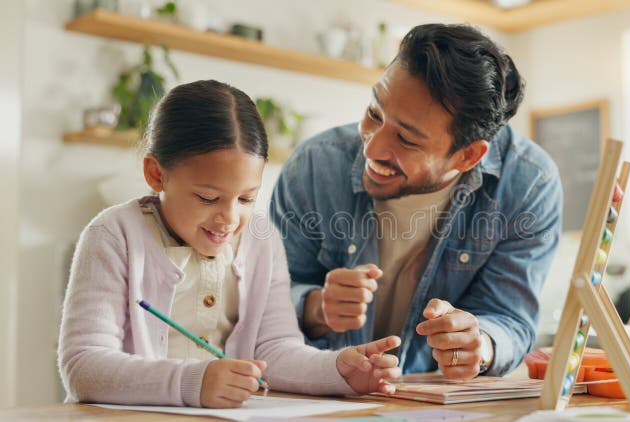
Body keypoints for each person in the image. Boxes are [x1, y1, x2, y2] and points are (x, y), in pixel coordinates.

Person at [58, 80, 401, 408]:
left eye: (246, 199)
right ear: (156, 174)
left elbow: (276, 350)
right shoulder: (112, 235)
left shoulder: (262, 241)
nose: (229, 218)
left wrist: (338, 371)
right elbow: (84, 367)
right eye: (208, 198)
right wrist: (193, 382)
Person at [270, 24, 562, 380]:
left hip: (431, 399)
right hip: (321, 392)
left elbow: (509, 317)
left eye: (406, 139)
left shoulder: (530, 184)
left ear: (467, 156)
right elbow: (265, 298)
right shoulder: (314, 166)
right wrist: (317, 307)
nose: (371, 148)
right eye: (375, 113)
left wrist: (479, 344)